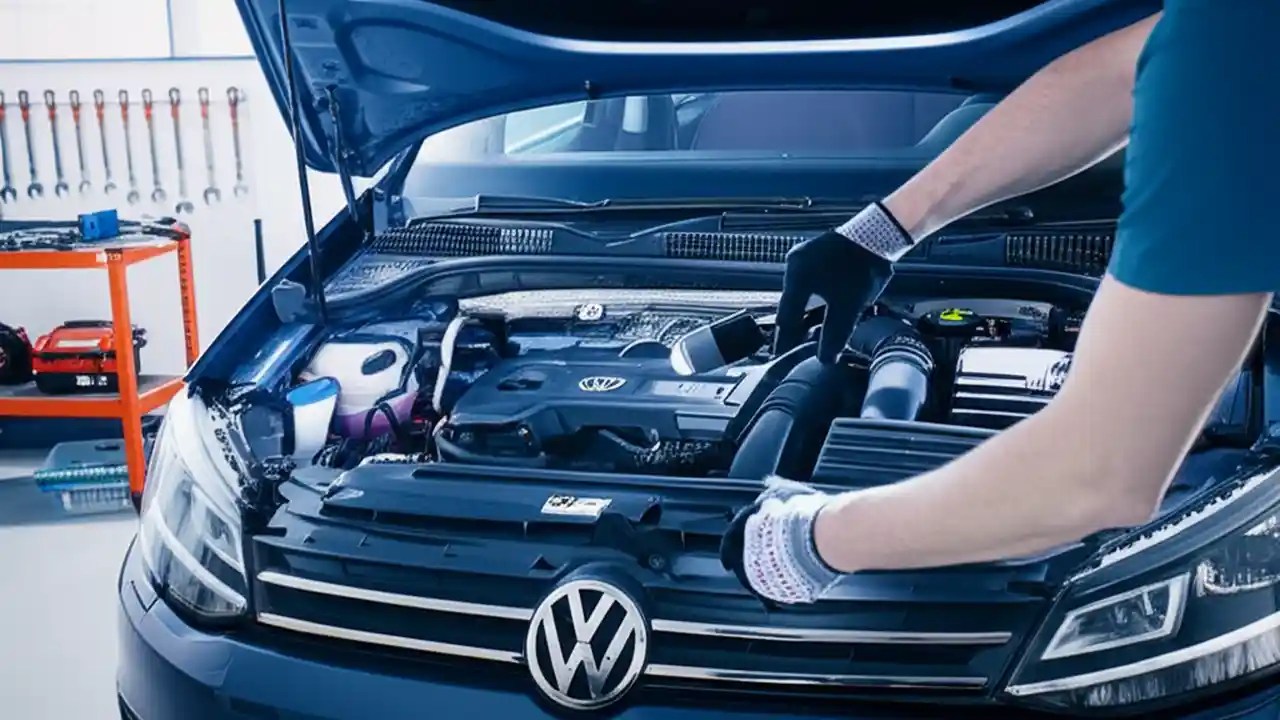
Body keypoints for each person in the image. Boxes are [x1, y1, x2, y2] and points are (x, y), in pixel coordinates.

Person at [720, 3, 1279, 605]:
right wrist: (878, 232)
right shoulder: (1237, 27)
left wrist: (809, 540)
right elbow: (1131, 72)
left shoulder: (1244, 62)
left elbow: (1100, 474)